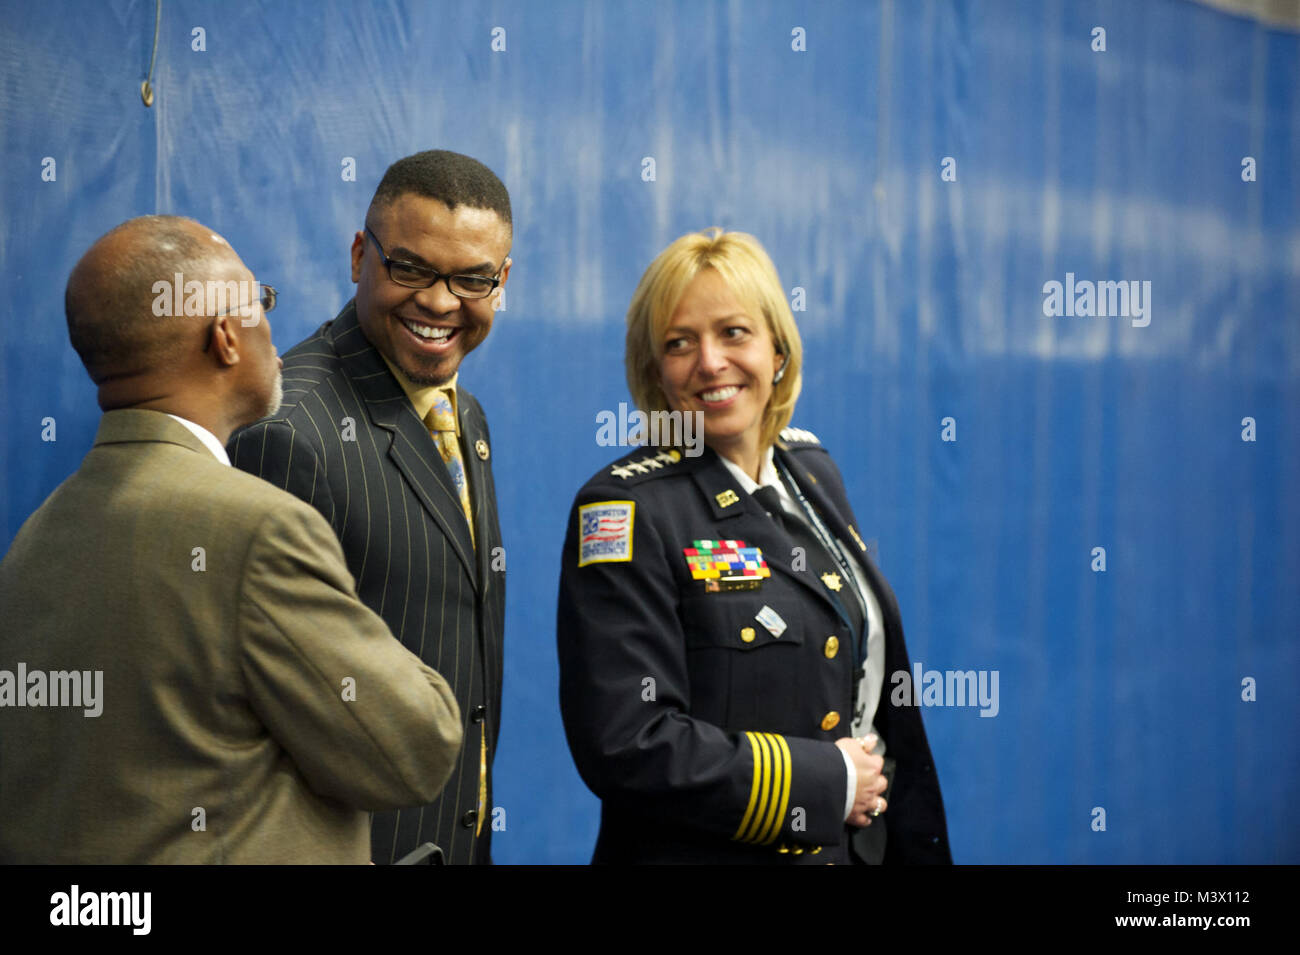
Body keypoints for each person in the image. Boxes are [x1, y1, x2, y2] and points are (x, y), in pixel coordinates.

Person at [0, 216, 463, 864]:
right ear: (223, 336)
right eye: (260, 299)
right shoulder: (260, 530)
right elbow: (414, 746)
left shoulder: (35, 536)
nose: (271, 324)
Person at [557, 228, 951, 864]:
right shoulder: (625, 510)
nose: (710, 362)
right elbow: (627, 741)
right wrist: (826, 782)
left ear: (778, 351)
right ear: (655, 372)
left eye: (733, 333)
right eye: (679, 343)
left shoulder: (810, 467)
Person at [229, 150, 511, 865]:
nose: (442, 302)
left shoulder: (463, 414)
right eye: (411, 268)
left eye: (472, 279)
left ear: (501, 282)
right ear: (361, 255)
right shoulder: (287, 433)